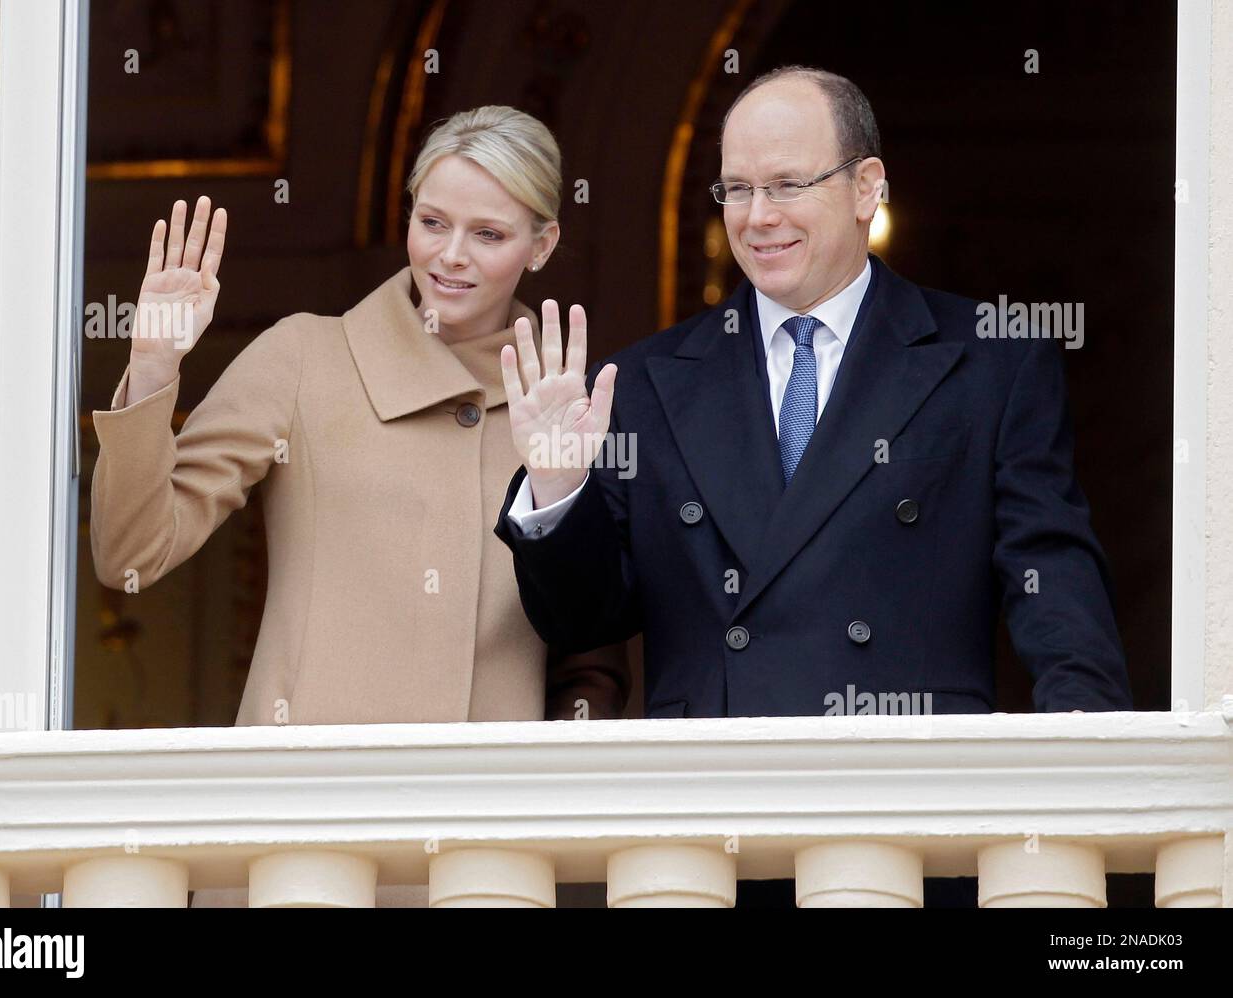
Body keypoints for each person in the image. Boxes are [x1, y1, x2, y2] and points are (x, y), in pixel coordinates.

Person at [90, 105, 629, 906]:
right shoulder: (305, 357)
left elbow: (595, 665)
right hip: (299, 839)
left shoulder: (568, 407)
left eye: (488, 234)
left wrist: (541, 799)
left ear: (542, 245)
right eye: (432, 221)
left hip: (486, 862)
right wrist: (154, 364)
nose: (450, 255)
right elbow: (130, 555)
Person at [494, 65, 1132, 720]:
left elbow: (1051, 578)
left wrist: (1087, 739)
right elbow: (583, 622)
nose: (758, 216)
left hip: (904, 786)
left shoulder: (992, 362)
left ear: (867, 188)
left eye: (787, 185)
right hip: (716, 791)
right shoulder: (643, 382)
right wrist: (558, 489)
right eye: (737, 189)